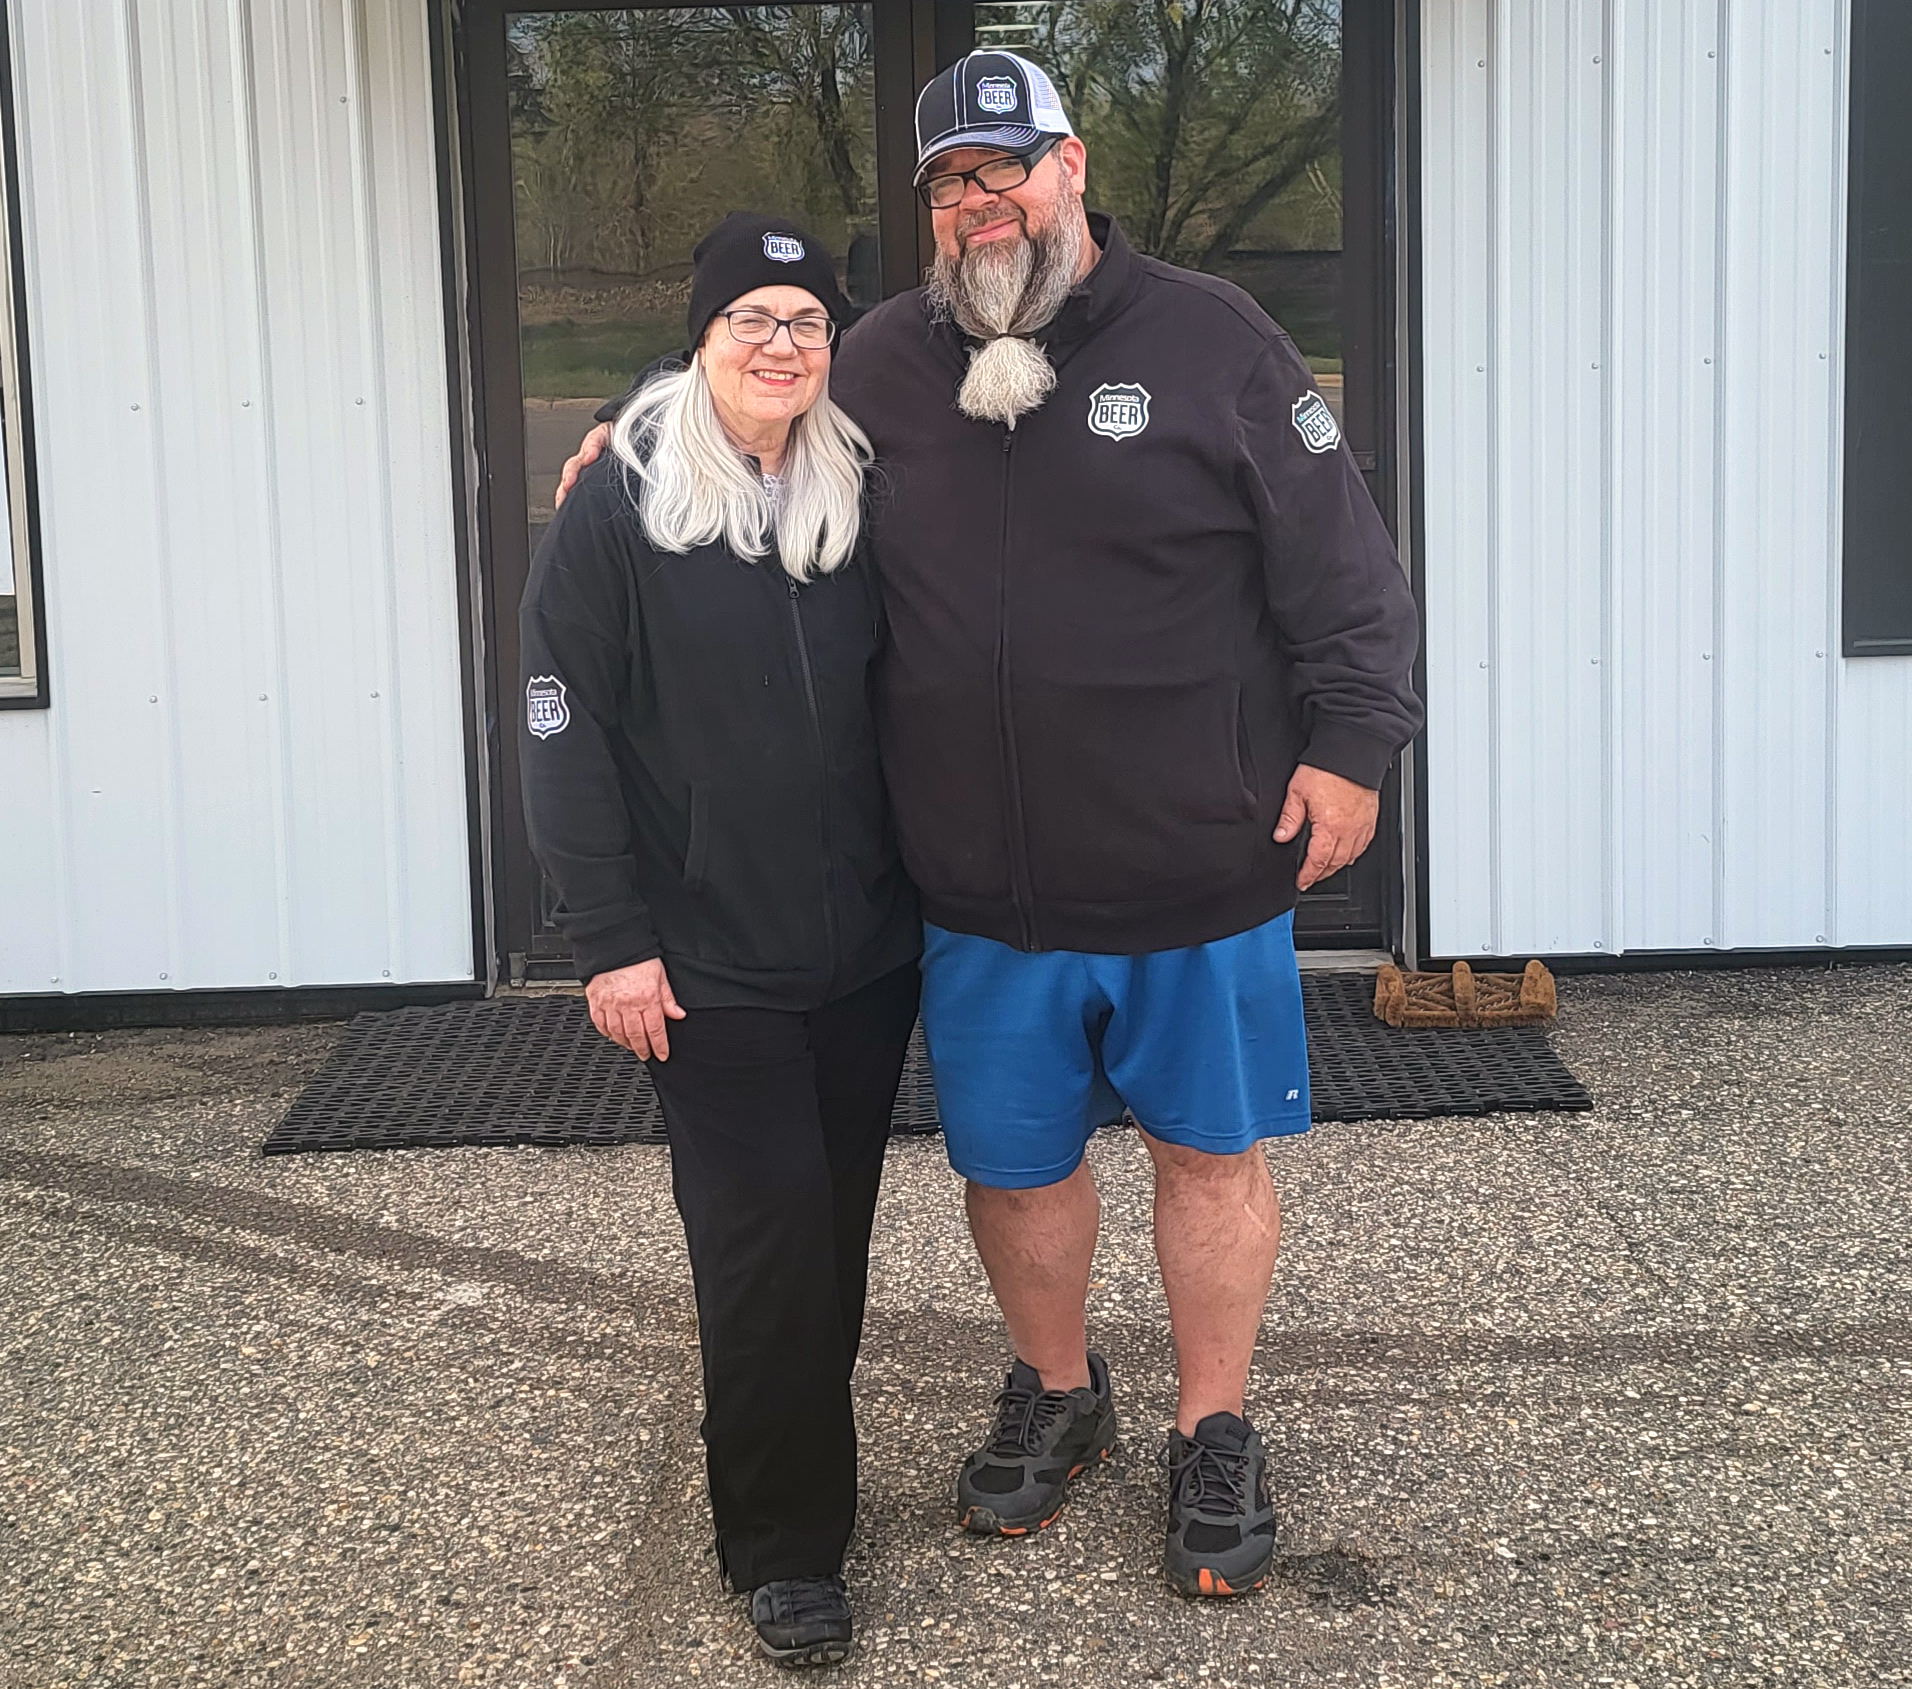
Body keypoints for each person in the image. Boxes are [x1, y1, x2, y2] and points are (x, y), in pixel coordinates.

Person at [557, 51, 1422, 1599]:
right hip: (976, 894)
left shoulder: (1215, 338)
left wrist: (1354, 749)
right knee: (1016, 1173)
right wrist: (629, 428)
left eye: (1003, 167)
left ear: (1071, 166)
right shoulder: (886, 358)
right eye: (950, 182)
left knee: (1208, 1159)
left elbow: (1346, 570)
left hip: (1196, 870)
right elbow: (752, 372)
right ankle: (1059, 1391)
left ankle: (1215, 1426)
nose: (979, 204)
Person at [518, 212, 919, 1667]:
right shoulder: (622, 498)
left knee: (832, 1239)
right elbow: (560, 722)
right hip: (702, 964)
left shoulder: (862, 481)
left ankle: (786, 1461)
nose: (779, 345)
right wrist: (608, 939)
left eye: (806, 322)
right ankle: (785, 1546)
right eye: (749, 318)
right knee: (764, 1250)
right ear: (700, 336)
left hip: (865, 957)